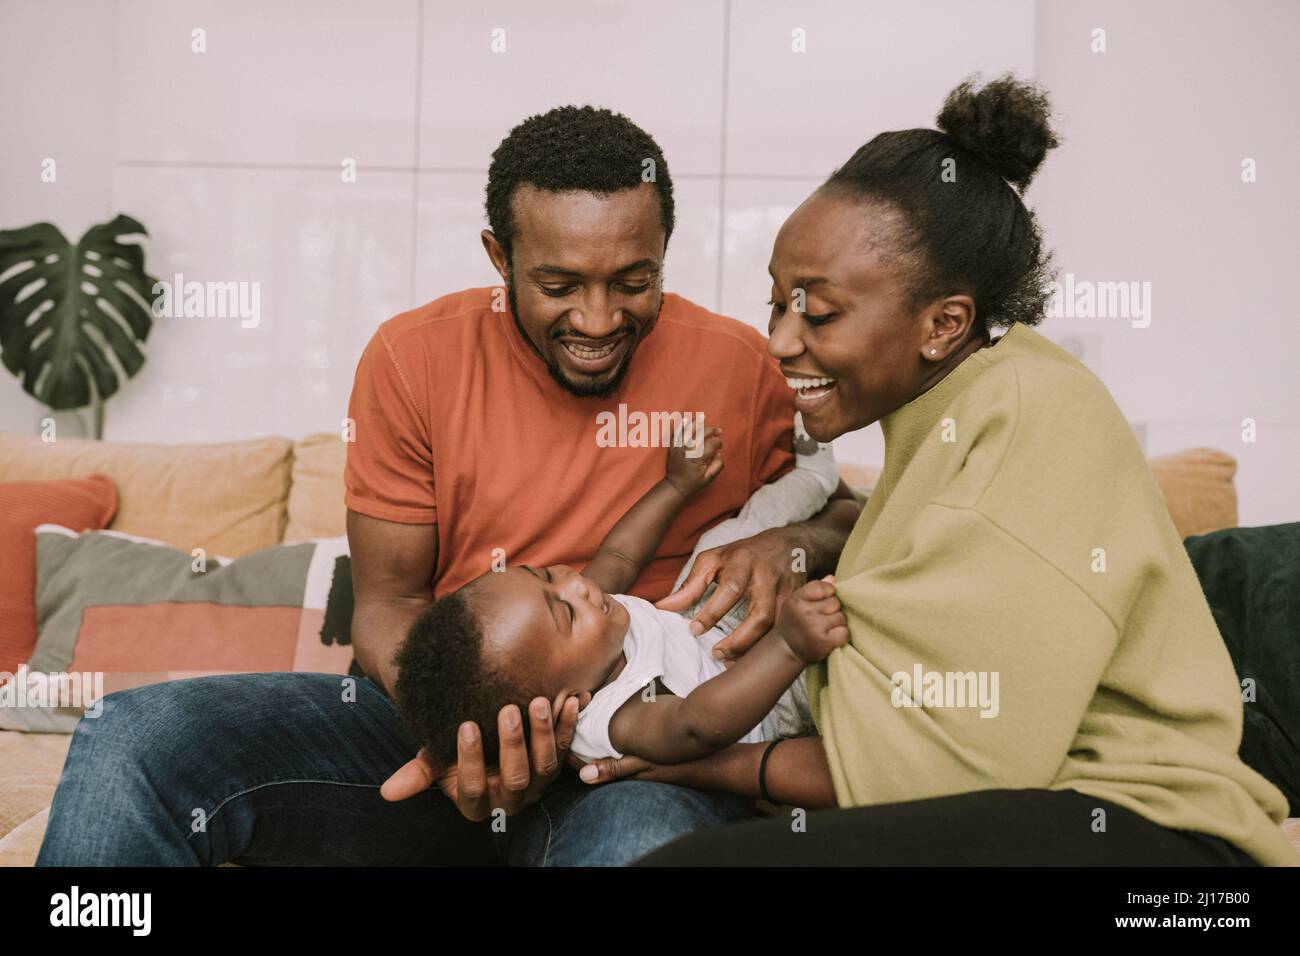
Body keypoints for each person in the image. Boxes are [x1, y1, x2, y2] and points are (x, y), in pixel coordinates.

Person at [35, 105, 861, 867]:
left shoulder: (743, 365)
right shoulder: (413, 360)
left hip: (648, 754)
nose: (601, 319)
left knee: (637, 844)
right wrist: (471, 739)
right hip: (453, 719)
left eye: (634, 281)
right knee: (133, 737)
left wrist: (786, 542)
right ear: (500, 258)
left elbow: (856, 514)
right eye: (560, 285)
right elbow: (387, 607)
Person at [581, 75, 1300, 867]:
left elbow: (933, 772)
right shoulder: (962, 408)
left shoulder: (1023, 418)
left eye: (817, 312)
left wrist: (696, 755)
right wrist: (802, 542)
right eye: (776, 306)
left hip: (1154, 842)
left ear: (944, 323)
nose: (781, 342)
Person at [393, 419, 836, 772]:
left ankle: (815, 478)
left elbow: (621, 555)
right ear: (570, 701)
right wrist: (788, 645)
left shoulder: (591, 616)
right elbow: (698, 724)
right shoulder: (614, 717)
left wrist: (676, 486)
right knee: (829, 672)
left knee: (721, 546)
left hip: (710, 626)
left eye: (545, 574)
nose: (576, 584)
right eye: (565, 613)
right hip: (764, 704)